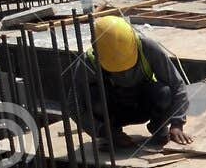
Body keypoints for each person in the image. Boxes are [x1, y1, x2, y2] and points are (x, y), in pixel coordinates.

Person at [78, 16, 192, 146]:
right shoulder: (88, 61)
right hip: (114, 111)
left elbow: (177, 85)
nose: (124, 73)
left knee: (164, 92)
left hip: (142, 105)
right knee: (93, 97)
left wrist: (177, 123)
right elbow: (74, 104)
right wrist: (103, 130)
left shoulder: (148, 48)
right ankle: (113, 132)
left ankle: (158, 127)